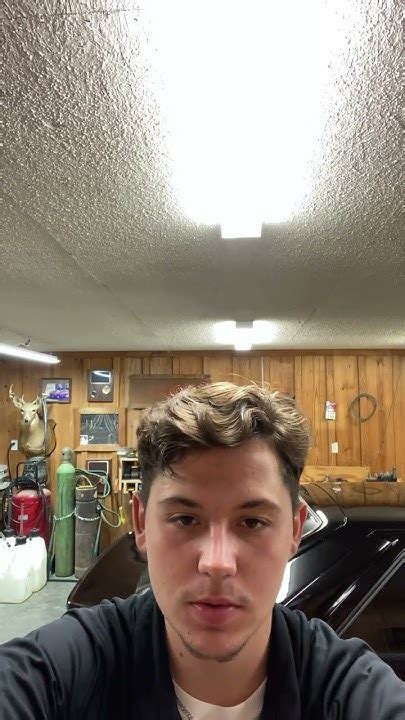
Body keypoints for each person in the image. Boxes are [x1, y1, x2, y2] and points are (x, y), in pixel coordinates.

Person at [0, 382, 404, 719]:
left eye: (252, 522)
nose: (217, 563)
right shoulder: (66, 670)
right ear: (140, 523)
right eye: (185, 519)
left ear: (294, 530)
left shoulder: (351, 690)